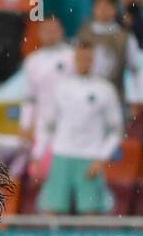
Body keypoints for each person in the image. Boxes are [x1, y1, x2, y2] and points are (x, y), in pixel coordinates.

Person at [36, 41, 123, 215]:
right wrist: (39, 154)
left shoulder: (105, 89)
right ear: (74, 59)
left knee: (90, 212)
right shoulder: (60, 87)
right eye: (80, 57)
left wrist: (101, 158)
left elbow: (116, 130)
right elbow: (47, 125)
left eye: (88, 58)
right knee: (53, 210)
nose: (84, 61)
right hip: (61, 154)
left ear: (94, 60)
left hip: (89, 157)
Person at [19, 18, 74, 175]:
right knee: (39, 170)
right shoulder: (32, 61)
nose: (50, 34)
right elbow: (29, 98)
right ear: (40, 33)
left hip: (69, 121)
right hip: (43, 122)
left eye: (54, 30)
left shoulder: (72, 56)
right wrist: (25, 124)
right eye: (46, 30)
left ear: (61, 32)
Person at [77, 0, 142, 104]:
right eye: (99, 6)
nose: (103, 10)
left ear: (114, 9)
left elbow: (134, 70)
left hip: (115, 98)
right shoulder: (83, 34)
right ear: (94, 9)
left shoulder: (125, 37)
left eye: (107, 6)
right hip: (84, 99)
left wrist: (136, 99)